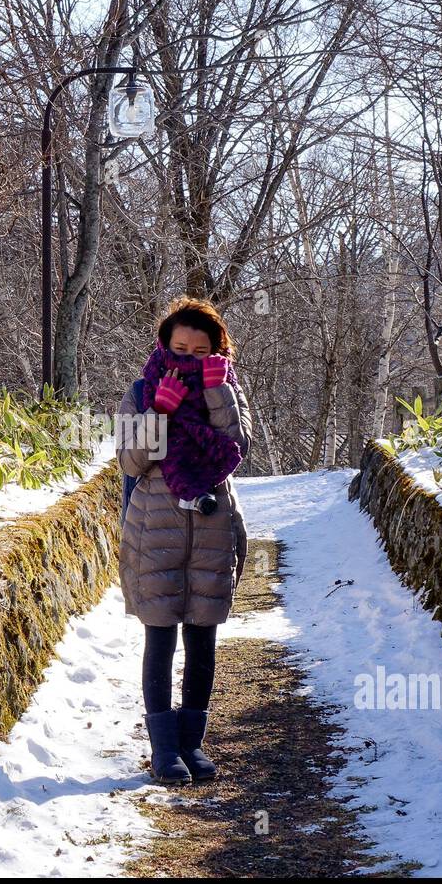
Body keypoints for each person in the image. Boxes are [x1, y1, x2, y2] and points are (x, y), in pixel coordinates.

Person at [115, 295, 253, 785]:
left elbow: (237, 446)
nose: (188, 357)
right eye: (180, 347)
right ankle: (164, 749)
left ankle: (193, 745)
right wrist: (159, 411)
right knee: (160, 638)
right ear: (163, 345)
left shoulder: (229, 390)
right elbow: (132, 464)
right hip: (155, 531)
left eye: (200, 350)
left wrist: (216, 393)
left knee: (203, 641)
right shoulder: (139, 392)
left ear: (217, 351)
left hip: (212, 530)